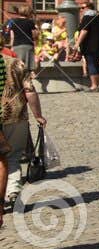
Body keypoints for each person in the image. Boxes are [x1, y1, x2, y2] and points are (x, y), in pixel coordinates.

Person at [0, 45, 46, 222]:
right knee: (13, 156)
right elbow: (29, 91)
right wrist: (38, 115)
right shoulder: (16, 64)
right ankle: (13, 191)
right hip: (16, 116)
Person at [75, 3, 99, 91]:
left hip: (89, 45)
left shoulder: (87, 17)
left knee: (91, 64)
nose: (81, 10)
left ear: (89, 8)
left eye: (82, 8)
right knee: (97, 64)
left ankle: (94, 85)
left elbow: (84, 31)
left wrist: (77, 43)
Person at [5, 7, 36, 73]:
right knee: (28, 68)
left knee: (18, 67)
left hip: (17, 46)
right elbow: (34, 35)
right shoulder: (30, 22)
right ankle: (27, 81)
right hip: (28, 46)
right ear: (28, 13)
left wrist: (12, 47)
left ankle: (19, 82)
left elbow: (12, 37)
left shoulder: (13, 22)